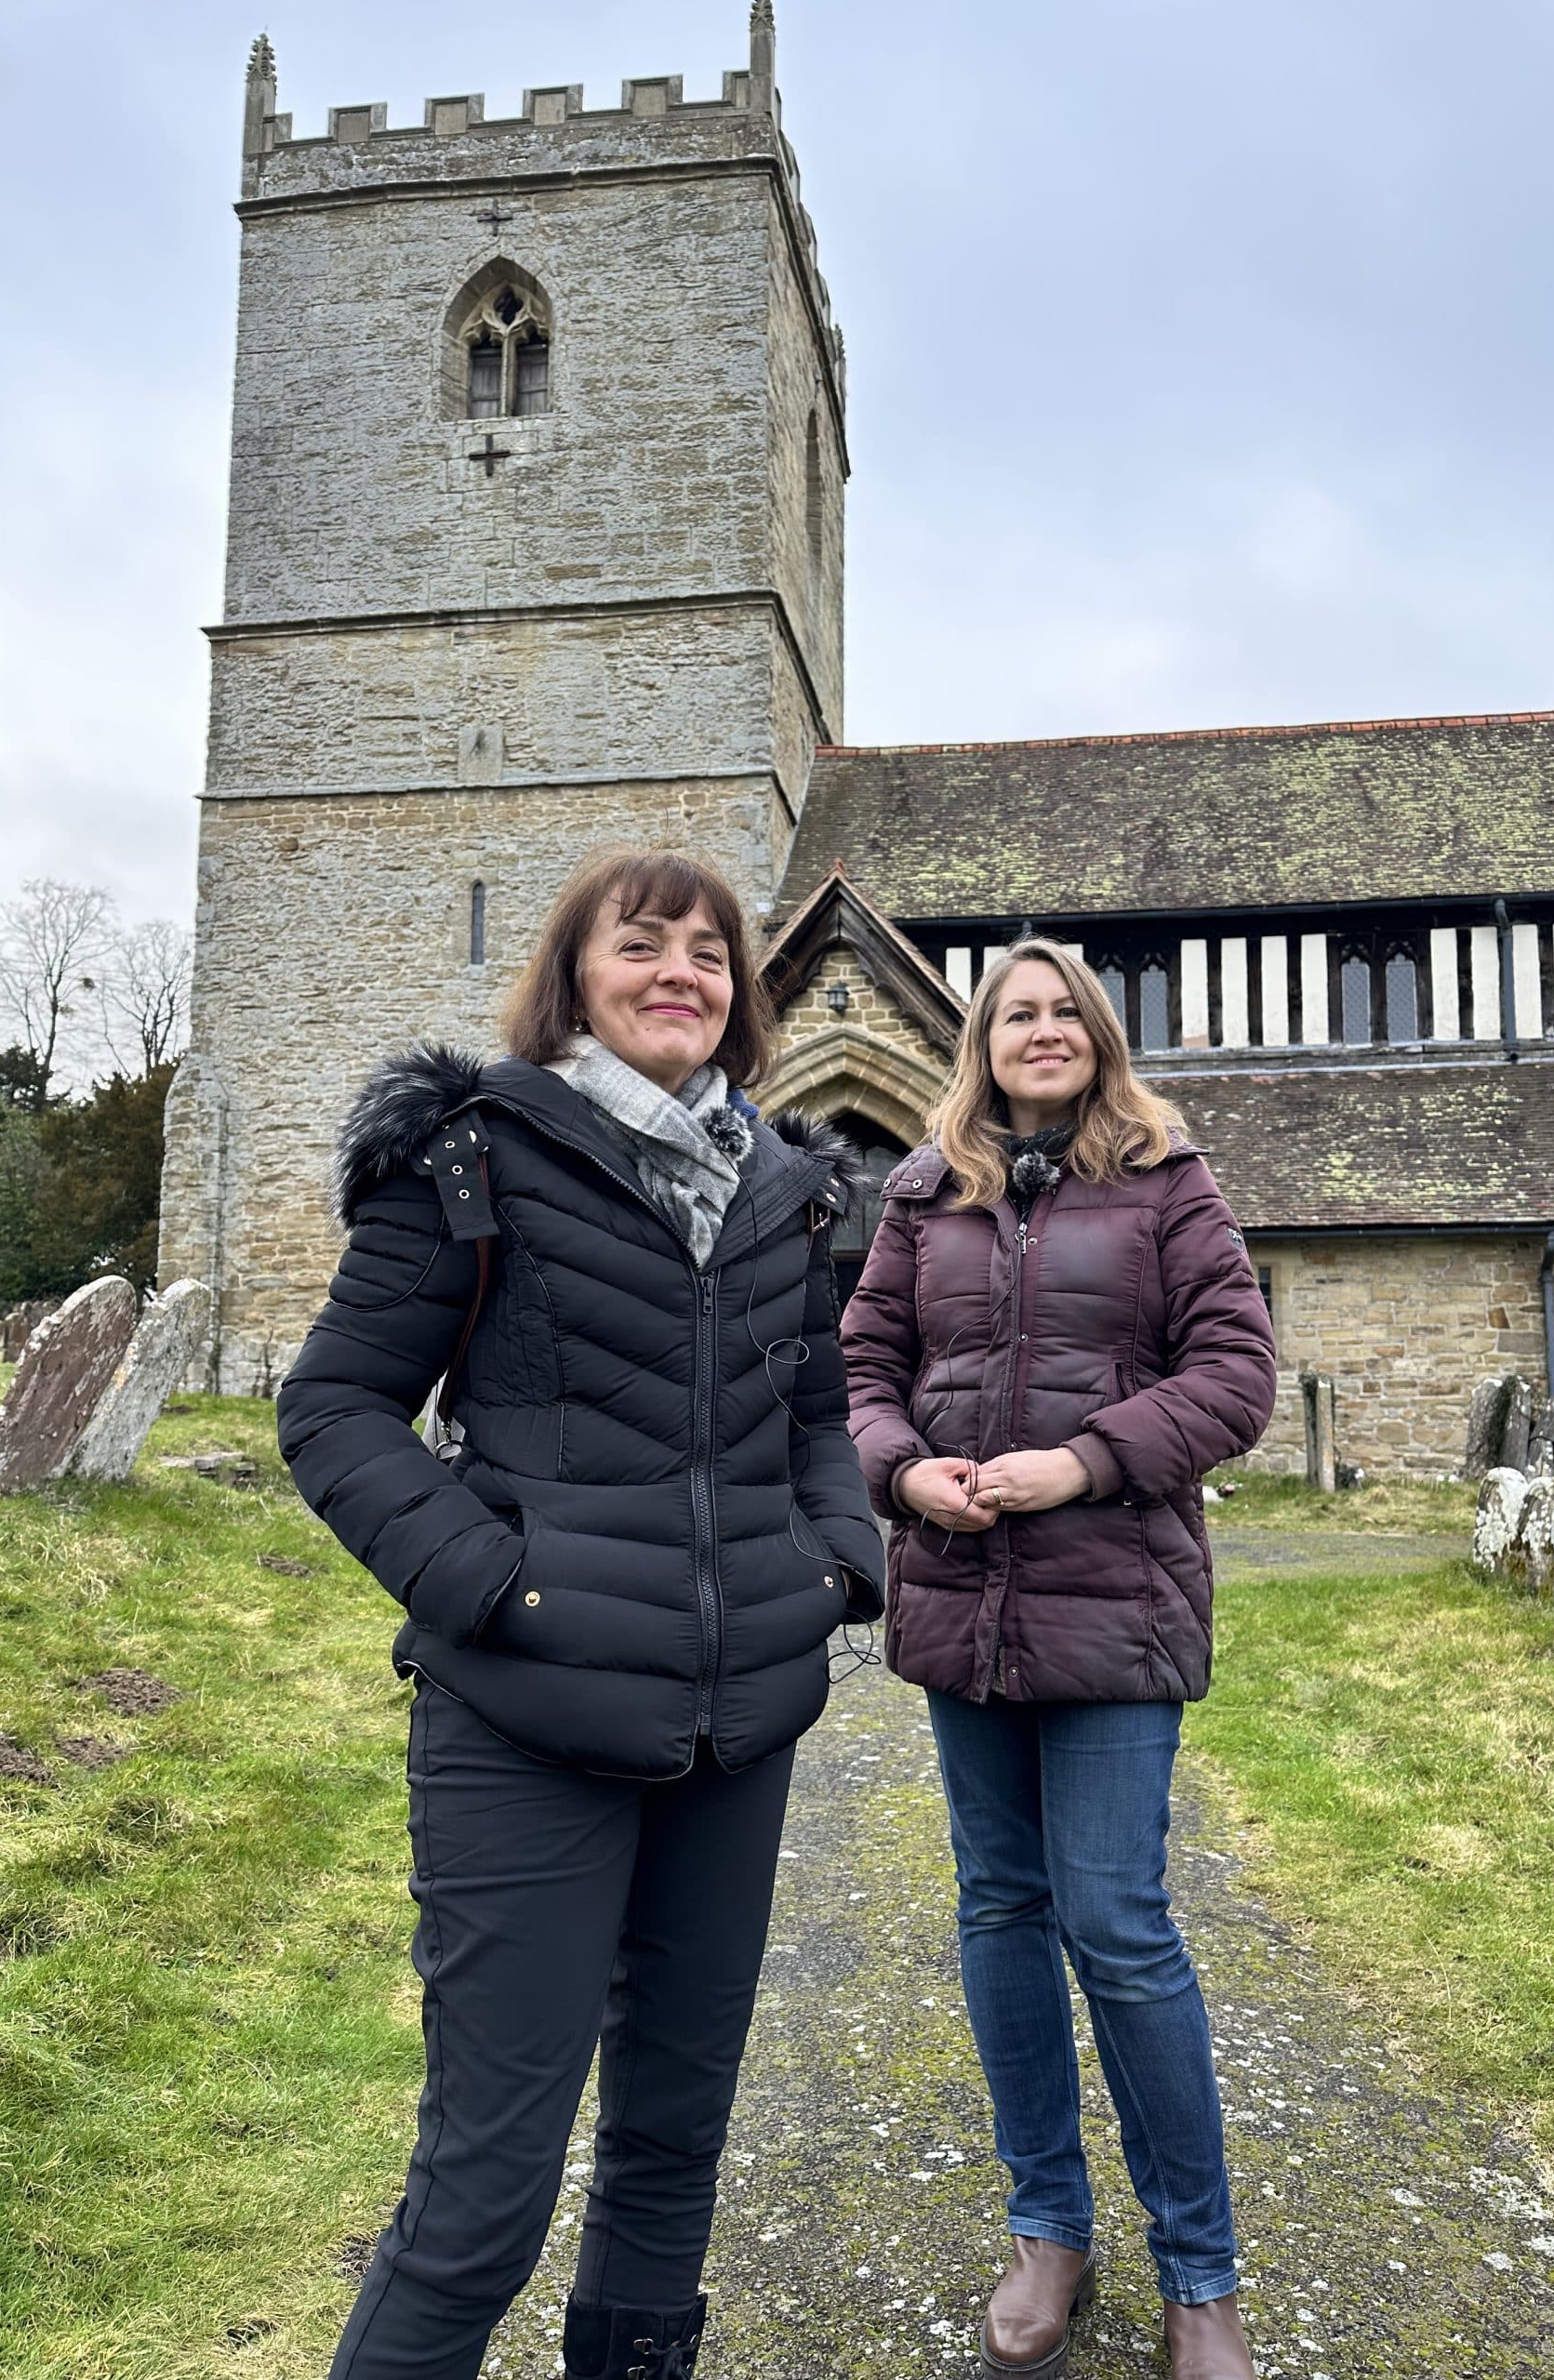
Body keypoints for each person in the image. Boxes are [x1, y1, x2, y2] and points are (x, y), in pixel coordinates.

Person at [276, 850, 883, 2380]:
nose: (680, 970)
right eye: (644, 944)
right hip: (524, 1723)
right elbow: (338, 1408)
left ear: (744, 997)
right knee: (487, 2185)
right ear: (576, 974)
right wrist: (489, 1584)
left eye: (711, 952)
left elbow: (821, 1417)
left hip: (736, 1724)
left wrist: (833, 1569)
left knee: (676, 2147)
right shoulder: (473, 1155)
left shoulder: (790, 1190)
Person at [842, 938, 1277, 2380]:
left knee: (1120, 1927)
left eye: (1063, 1012)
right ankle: (1049, 2228)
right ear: (981, 1043)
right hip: (963, 1606)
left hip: (1116, 1606)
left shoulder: (1169, 1183)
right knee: (1000, 1912)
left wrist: (1079, 1465)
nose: (1042, 1030)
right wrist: (904, 1477)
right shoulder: (923, 1193)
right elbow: (864, 1369)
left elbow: (1234, 1376)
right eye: (1015, 1013)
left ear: (1097, 1034)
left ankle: (1198, 2276)